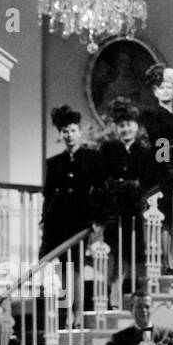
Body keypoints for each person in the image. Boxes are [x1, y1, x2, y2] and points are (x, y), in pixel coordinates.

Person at [95, 97, 153, 302]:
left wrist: (135, 187)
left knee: (133, 252)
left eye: (129, 125)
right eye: (121, 126)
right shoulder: (108, 149)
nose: (125, 129)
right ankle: (113, 289)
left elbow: (148, 180)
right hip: (114, 210)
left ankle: (130, 292)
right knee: (114, 251)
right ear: (116, 128)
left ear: (136, 127)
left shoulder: (145, 152)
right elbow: (102, 178)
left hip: (135, 211)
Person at [139, 63, 173, 269]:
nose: (165, 91)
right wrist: (170, 162)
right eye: (161, 87)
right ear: (155, 91)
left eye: (169, 87)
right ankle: (167, 260)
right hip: (163, 172)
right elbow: (159, 141)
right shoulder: (152, 115)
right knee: (165, 217)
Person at [40, 104, 100, 259]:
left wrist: (97, 217)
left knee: (78, 260)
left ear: (80, 132)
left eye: (73, 131)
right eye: (65, 131)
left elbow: (100, 189)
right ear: (61, 134)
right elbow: (49, 195)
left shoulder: (92, 158)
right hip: (59, 217)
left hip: (82, 218)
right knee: (60, 259)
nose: (69, 135)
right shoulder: (54, 163)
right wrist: (44, 219)